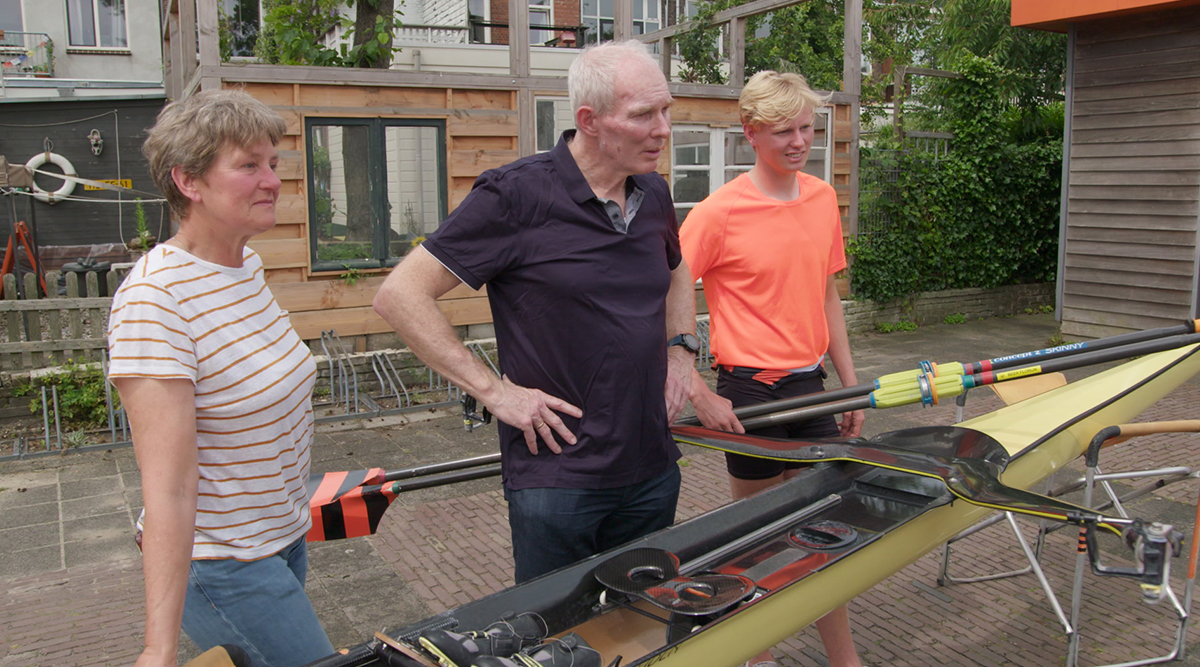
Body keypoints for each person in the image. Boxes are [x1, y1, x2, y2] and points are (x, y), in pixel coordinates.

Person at [373, 40, 695, 584]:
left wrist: (682, 351)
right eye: (644, 115)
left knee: (642, 625)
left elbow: (675, 268)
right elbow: (400, 295)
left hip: (651, 469)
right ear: (589, 120)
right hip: (558, 481)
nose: (663, 128)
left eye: (666, 110)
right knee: (556, 639)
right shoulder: (515, 196)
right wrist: (495, 392)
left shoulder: (654, 192)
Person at [108, 90, 334, 667]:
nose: (271, 180)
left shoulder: (243, 266)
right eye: (248, 165)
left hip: (283, 538)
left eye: (273, 163)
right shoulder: (155, 300)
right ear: (189, 181)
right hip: (222, 562)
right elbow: (169, 486)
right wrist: (158, 648)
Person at [680, 71, 865, 667]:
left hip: (810, 390)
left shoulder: (819, 199)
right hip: (750, 394)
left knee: (825, 535)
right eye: (783, 130)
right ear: (751, 133)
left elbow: (828, 296)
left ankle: (844, 660)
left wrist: (850, 383)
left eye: (806, 127)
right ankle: (754, 656)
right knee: (759, 538)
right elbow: (670, 287)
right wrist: (688, 377)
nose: (798, 140)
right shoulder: (719, 212)